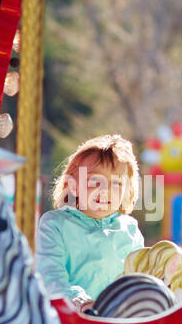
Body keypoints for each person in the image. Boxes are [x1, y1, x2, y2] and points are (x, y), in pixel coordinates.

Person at [35, 133, 145, 311]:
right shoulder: (55, 224)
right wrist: (79, 302)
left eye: (116, 183)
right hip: (71, 320)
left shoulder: (129, 229)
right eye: (95, 180)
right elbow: (50, 274)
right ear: (73, 186)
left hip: (118, 320)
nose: (106, 190)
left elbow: (140, 278)